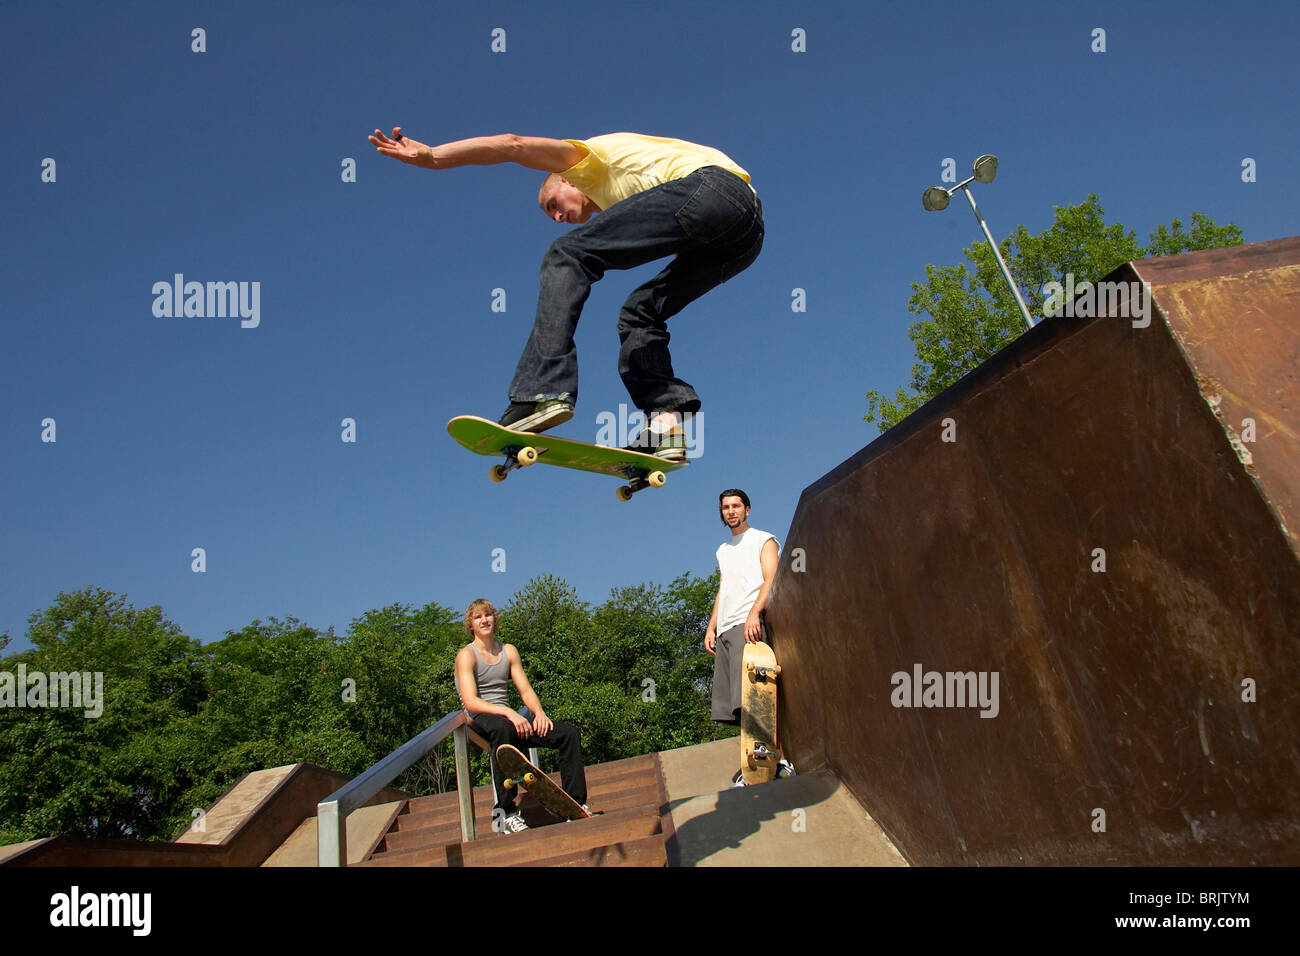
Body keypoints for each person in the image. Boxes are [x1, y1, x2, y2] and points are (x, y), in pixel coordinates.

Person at [368, 128, 765, 459]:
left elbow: (513, 145)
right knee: (640, 312)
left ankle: (542, 391)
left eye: (553, 204)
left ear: (568, 181)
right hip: (744, 233)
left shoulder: (585, 161)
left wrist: (434, 157)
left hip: (712, 190)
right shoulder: (634, 195)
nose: (557, 217)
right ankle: (666, 426)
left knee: (566, 253)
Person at [454, 598, 588, 832]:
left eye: (487, 615)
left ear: (495, 619)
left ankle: (575, 803)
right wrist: (509, 712)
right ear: (471, 625)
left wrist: (539, 713)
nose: (484, 620)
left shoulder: (508, 650)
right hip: (479, 718)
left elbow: (525, 689)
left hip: (507, 719)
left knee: (568, 734)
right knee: (503, 728)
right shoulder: (467, 655)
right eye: (478, 617)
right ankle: (505, 812)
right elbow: (471, 701)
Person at [703, 489, 788, 786]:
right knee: (735, 704)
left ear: (747, 509)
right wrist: (712, 626)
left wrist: (754, 614)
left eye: (736, 506)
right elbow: (723, 588)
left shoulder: (763, 539)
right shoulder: (723, 550)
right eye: (725, 507)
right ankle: (756, 761)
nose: (731, 511)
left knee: (756, 697)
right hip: (726, 629)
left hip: (746, 625)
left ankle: (778, 758)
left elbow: (771, 577)